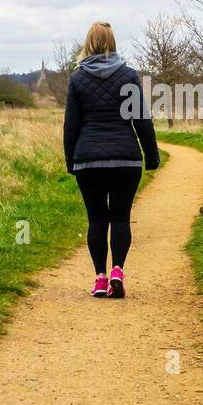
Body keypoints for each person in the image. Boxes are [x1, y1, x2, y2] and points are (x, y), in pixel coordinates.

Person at [62, 22, 160, 298]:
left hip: (88, 160)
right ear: (113, 42)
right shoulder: (128, 75)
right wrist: (151, 156)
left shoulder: (78, 79)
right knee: (120, 218)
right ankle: (118, 270)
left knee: (96, 220)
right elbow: (141, 118)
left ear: (89, 42)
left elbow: (71, 125)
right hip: (125, 160)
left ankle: (100, 279)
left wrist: (71, 160)